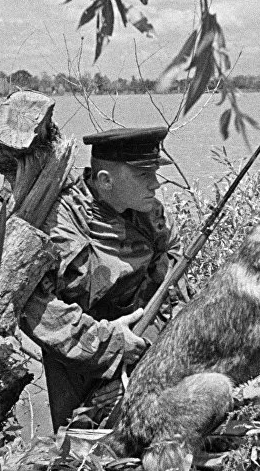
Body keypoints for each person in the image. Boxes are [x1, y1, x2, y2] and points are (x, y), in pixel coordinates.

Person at [21, 126, 183, 432]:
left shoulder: (149, 213)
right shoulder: (59, 225)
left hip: (142, 339)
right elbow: (34, 308)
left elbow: (171, 262)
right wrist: (109, 343)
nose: (156, 184)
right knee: (83, 448)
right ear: (105, 181)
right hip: (80, 354)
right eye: (143, 175)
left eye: (154, 173)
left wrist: (146, 343)